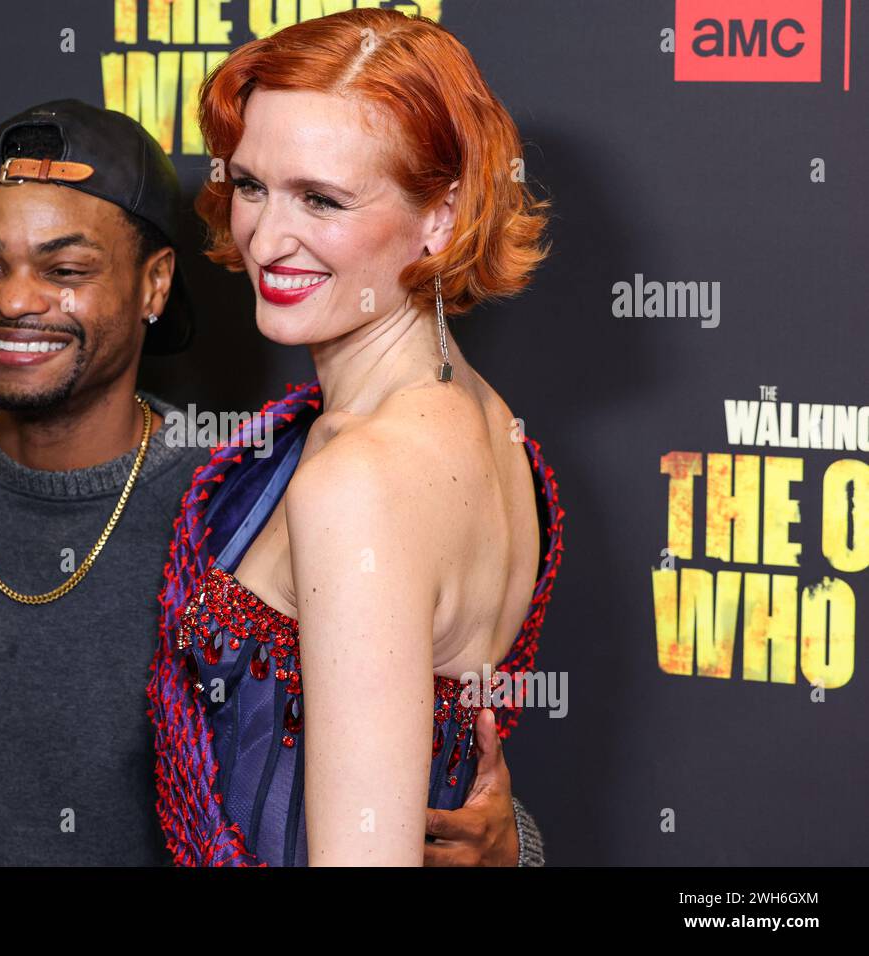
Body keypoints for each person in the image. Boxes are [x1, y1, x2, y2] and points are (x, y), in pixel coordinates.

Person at [0, 97, 544, 866]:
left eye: (66, 269)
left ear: (155, 286)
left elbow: (361, 772)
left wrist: (509, 849)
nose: (13, 299)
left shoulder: (246, 502)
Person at [146, 8, 565, 865]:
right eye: (253, 185)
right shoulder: (489, 426)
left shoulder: (362, 481)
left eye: (322, 199)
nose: (264, 236)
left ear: (441, 218)